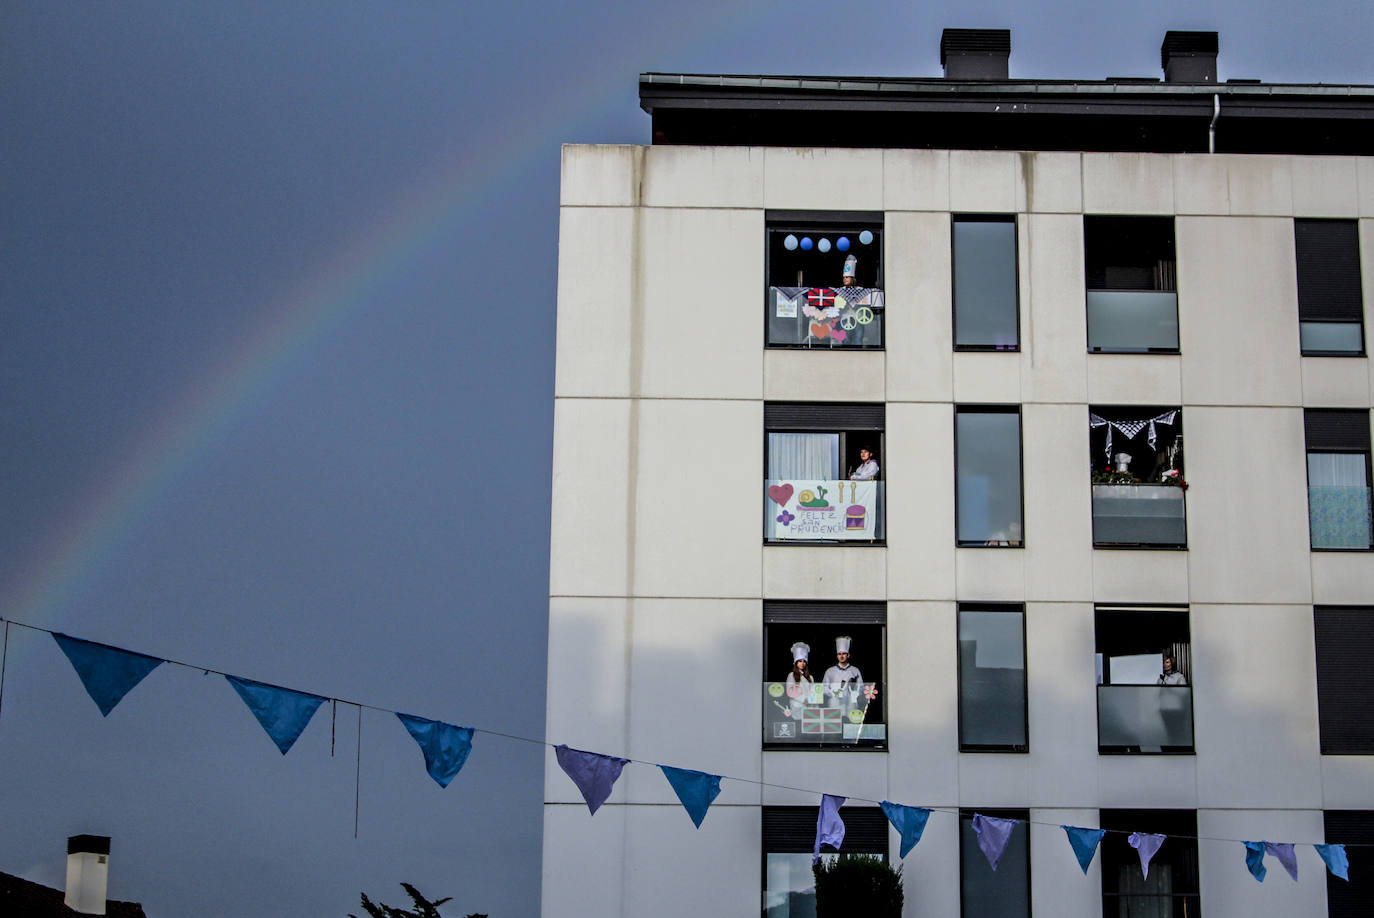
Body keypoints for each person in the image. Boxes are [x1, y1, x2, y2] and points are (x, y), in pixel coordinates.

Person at [823, 636, 865, 714]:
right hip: (834, 705)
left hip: (850, 705)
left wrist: (855, 693)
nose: (841, 656)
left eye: (844, 654)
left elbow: (861, 687)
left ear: (848, 655)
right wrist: (834, 692)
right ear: (837, 656)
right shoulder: (830, 671)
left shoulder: (855, 670)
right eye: (839, 654)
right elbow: (824, 687)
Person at [786, 642, 815, 718]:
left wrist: (810, 700)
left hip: (809, 707)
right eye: (800, 661)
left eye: (804, 661)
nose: (802, 663)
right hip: (796, 706)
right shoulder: (791, 676)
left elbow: (813, 692)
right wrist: (803, 700)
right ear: (796, 662)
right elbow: (789, 692)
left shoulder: (810, 677)